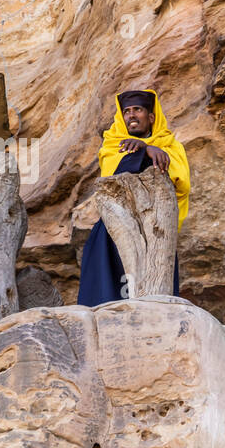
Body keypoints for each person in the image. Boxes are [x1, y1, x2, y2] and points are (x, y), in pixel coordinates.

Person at [78, 88, 190, 306]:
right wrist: (143, 151)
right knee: (109, 300)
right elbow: (113, 179)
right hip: (114, 232)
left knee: (154, 299)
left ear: (151, 117)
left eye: (137, 110)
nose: (131, 115)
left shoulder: (171, 146)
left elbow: (180, 181)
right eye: (127, 111)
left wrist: (149, 147)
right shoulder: (113, 144)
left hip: (155, 232)